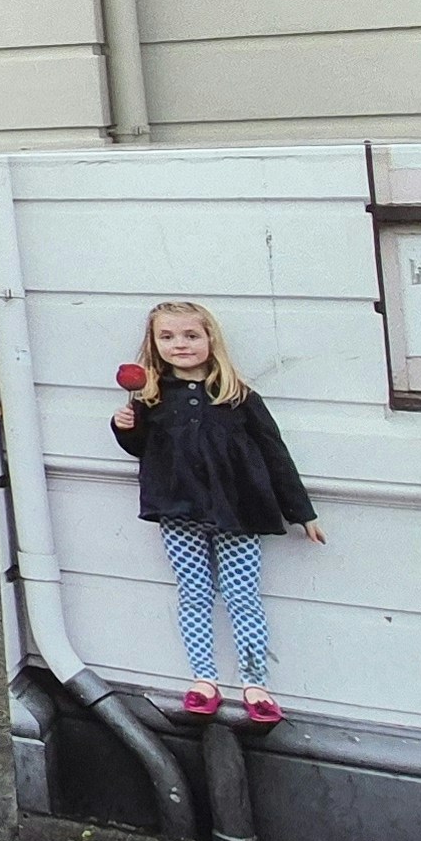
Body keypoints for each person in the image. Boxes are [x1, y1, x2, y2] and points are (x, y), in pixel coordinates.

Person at [110, 300, 323, 725]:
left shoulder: (238, 397)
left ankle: (255, 683)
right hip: (179, 510)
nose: (180, 344)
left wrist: (302, 511)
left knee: (243, 595)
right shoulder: (151, 397)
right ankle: (203, 680)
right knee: (194, 593)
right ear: (153, 343)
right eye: (167, 337)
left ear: (210, 340)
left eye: (191, 335)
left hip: (238, 511)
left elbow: (274, 453)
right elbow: (142, 450)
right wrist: (124, 426)